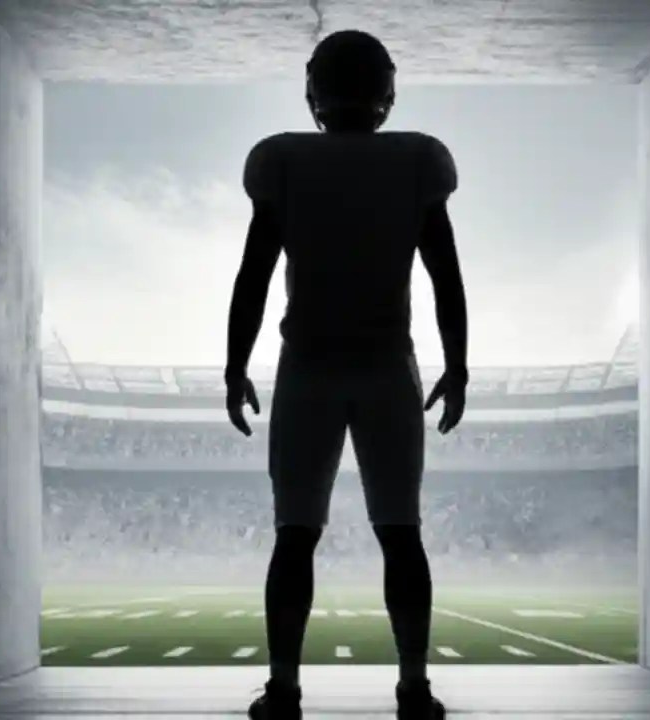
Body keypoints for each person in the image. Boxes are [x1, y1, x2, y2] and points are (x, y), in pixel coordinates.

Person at [223, 29, 468, 720]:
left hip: (308, 366)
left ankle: (283, 689)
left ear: (312, 94)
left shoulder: (283, 161)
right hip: (388, 365)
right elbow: (445, 274)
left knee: (295, 534)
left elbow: (254, 274)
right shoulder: (417, 160)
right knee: (401, 534)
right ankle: (414, 687)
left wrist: (236, 361)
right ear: (388, 95)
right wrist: (458, 362)